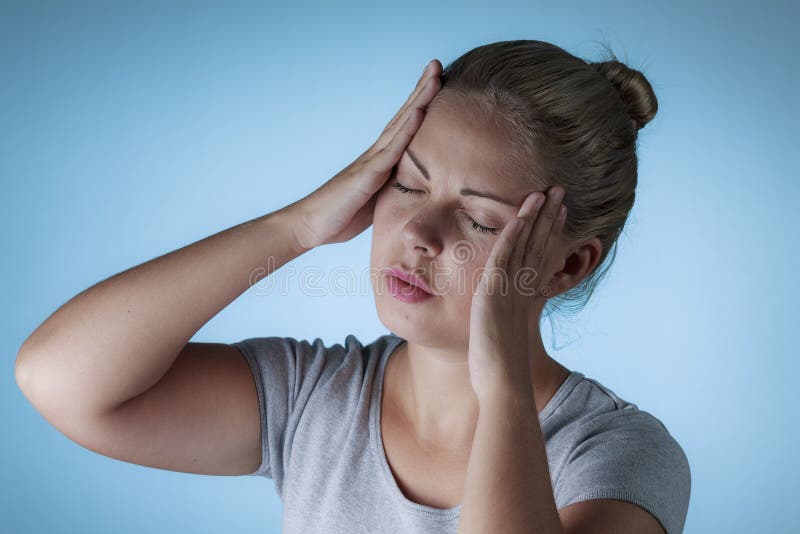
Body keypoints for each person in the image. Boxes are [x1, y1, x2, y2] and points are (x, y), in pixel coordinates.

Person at [15, 39, 690, 534]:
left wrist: (505, 387)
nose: (418, 231)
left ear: (568, 266)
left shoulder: (618, 456)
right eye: (407, 184)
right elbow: (59, 377)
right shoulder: (316, 399)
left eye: (481, 220)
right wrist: (298, 225)